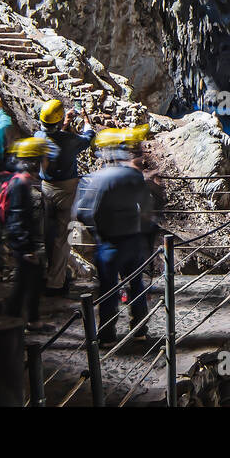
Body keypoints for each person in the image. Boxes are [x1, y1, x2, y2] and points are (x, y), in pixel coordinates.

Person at [73, 126, 155, 345]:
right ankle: (139, 329)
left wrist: (97, 233)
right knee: (136, 285)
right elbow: (147, 210)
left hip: (108, 243)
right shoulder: (133, 176)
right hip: (133, 240)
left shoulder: (95, 179)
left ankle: (107, 335)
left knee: (108, 290)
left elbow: (82, 212)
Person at [35, 99, 95, 297]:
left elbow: (54, 135)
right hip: (65, 190)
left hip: (46, 188)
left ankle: (53, 272)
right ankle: (56, 283)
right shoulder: (69, 141)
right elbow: (88, 137)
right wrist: (86, 120)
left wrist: (64, 123)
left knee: (49, 231)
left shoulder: (38, 136)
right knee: (62, 236)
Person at [0, 136, 52, 330]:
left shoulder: (21, 181)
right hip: (25, 245)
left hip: (25, 243)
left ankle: (27, 319)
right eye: (44, 158)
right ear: (36, 161)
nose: (47, 161)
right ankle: (14, 322)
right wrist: (25, 247)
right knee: (25, 284)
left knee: (28, 283)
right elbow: (17, 217)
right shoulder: (21, 184)